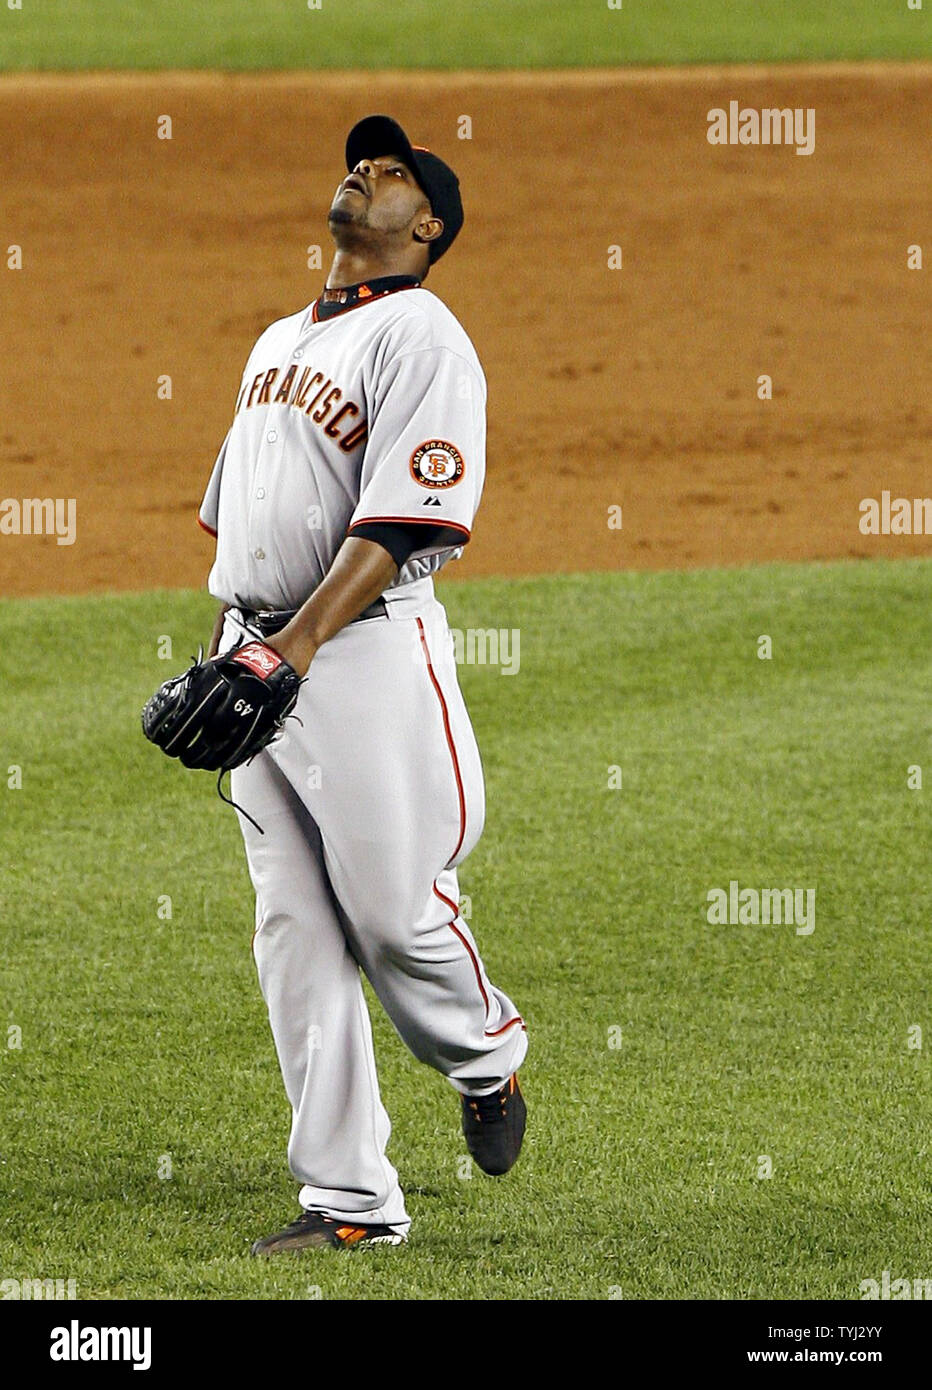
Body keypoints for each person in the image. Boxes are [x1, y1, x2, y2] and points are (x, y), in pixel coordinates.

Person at [196, 115, 528, 1254]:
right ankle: (349, 1204)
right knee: (293, 930)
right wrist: (237, 641)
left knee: (392, 917)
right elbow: (235, 515)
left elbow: (401, 520)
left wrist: (293, 644)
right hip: (258, 656)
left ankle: (483, 1052)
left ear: (426, 225)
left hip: (360, 655)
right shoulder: (277, 339)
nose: (365, 173)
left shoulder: (424, 334)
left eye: (392, 173)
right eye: (360, 161)